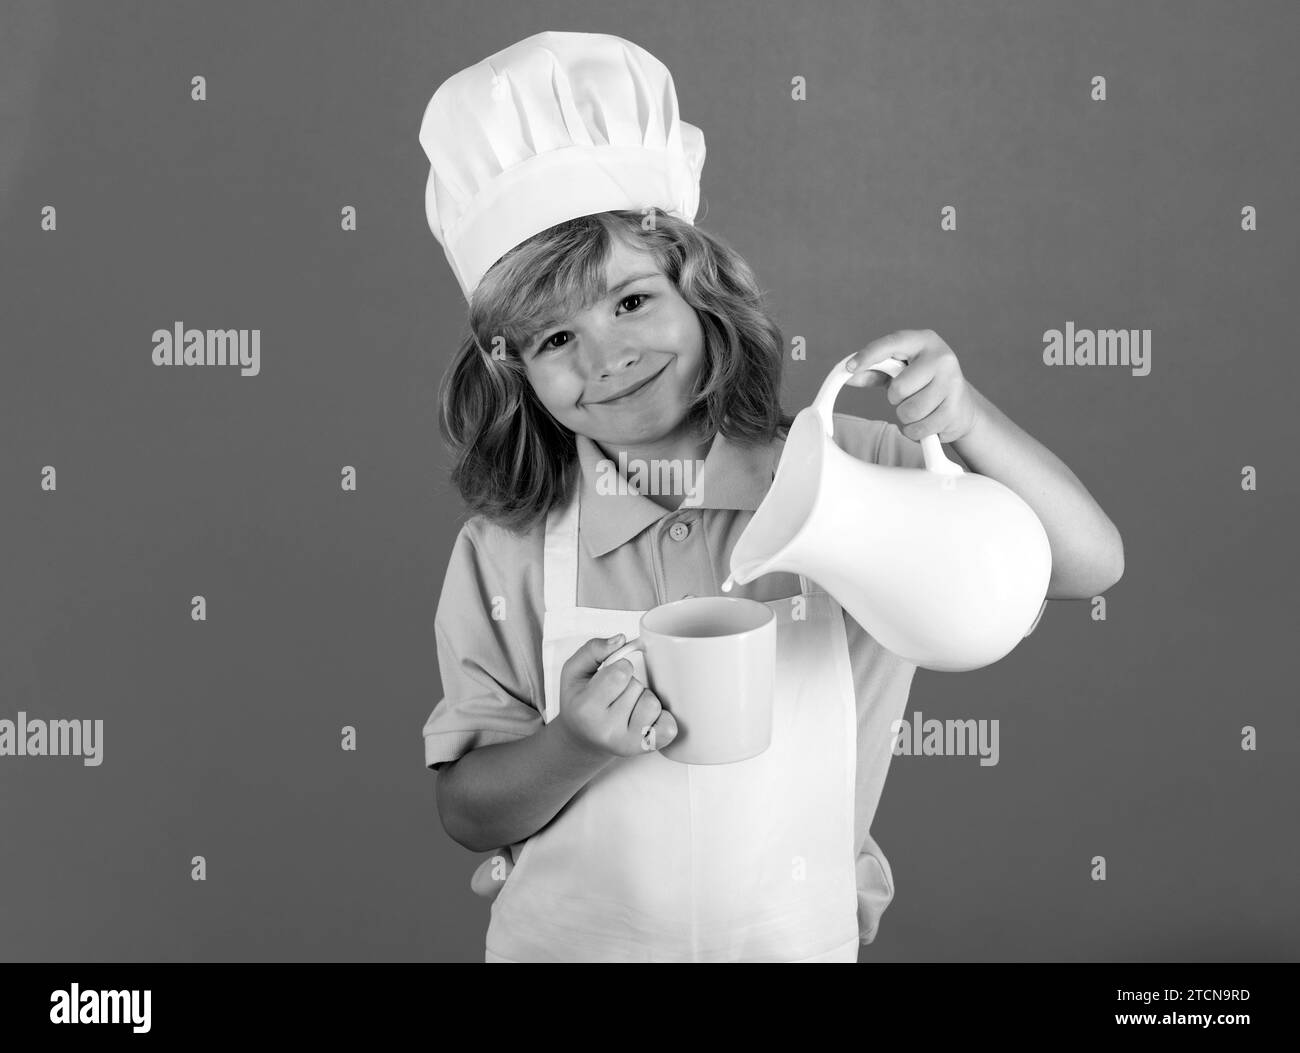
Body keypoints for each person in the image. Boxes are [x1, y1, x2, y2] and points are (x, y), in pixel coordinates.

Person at [418, 31, 1123, 963]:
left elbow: (1087, 563)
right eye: (554, 339)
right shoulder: (507, 548)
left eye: (631, 302)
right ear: (515, 372)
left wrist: (965, 418)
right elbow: (468, 810)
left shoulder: (854, 474)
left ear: (701, 290)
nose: (606, 357)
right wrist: (574, 743)